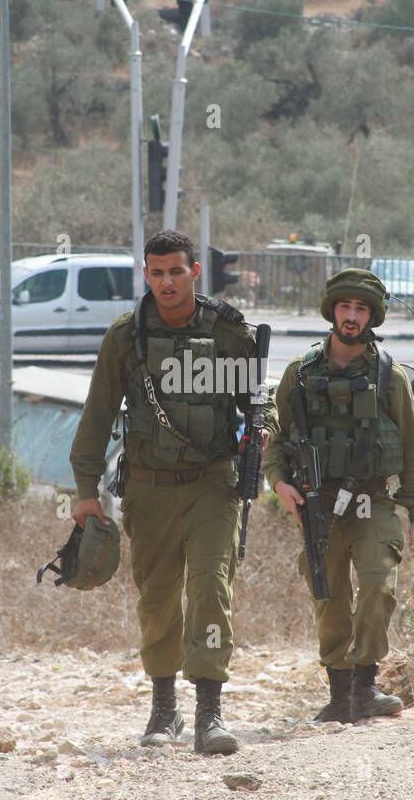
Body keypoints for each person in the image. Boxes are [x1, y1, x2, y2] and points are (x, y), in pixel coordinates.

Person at [69, 229, 278, 755]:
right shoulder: (127, 337)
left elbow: (259, 398)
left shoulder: (229, 333)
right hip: (150, 487)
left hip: (214, 483)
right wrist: (85, 490)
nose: (167, 282)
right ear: (146, 274)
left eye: (176, 272)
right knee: (158, 596)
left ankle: (211, 711)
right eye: (157, 273)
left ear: (194, 273)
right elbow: (95, 417)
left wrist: (265, 426)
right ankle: (164, 709)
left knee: (211, 588)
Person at [262, 269, 414, 724]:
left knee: (379, 585)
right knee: (329, 593)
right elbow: (275, 438)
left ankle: (365, 685)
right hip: (317, 504)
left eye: (361, 309)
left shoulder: (388, 377)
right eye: (345, 307)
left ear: (371, 316)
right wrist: (279, 483)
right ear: (332, 311)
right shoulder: (300, 373)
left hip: (371, 501)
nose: (352, 316)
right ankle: (340, 692)